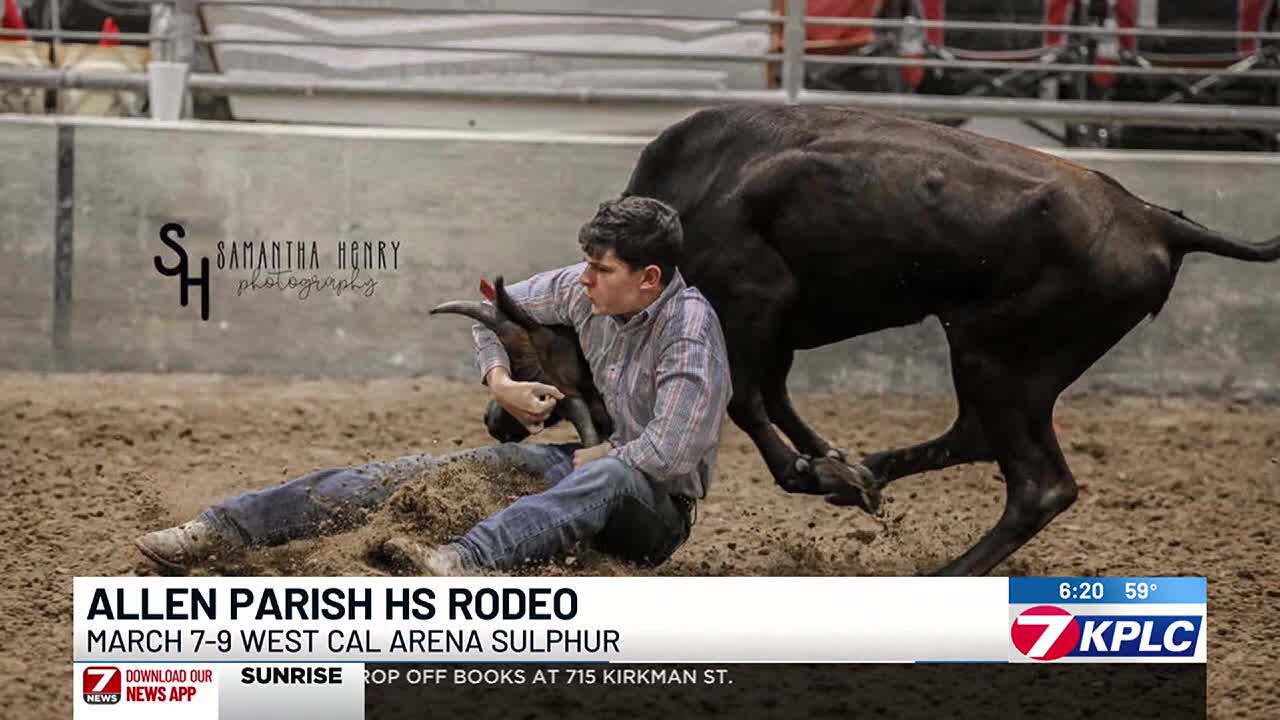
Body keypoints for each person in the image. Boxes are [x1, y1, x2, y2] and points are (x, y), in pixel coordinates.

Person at [134, 196, 732, 575]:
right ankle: (222, 528)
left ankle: (461, 561)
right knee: (438, 471)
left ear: (649, 279)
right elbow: (494, 307)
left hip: (654, 511)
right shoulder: (585, 293)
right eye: (588, 265)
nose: (584, 280)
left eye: (602, 270)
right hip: (591, 463)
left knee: (606, 471)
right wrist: (500, 384)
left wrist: (595, 454)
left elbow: (669, 453)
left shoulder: (690, 334)